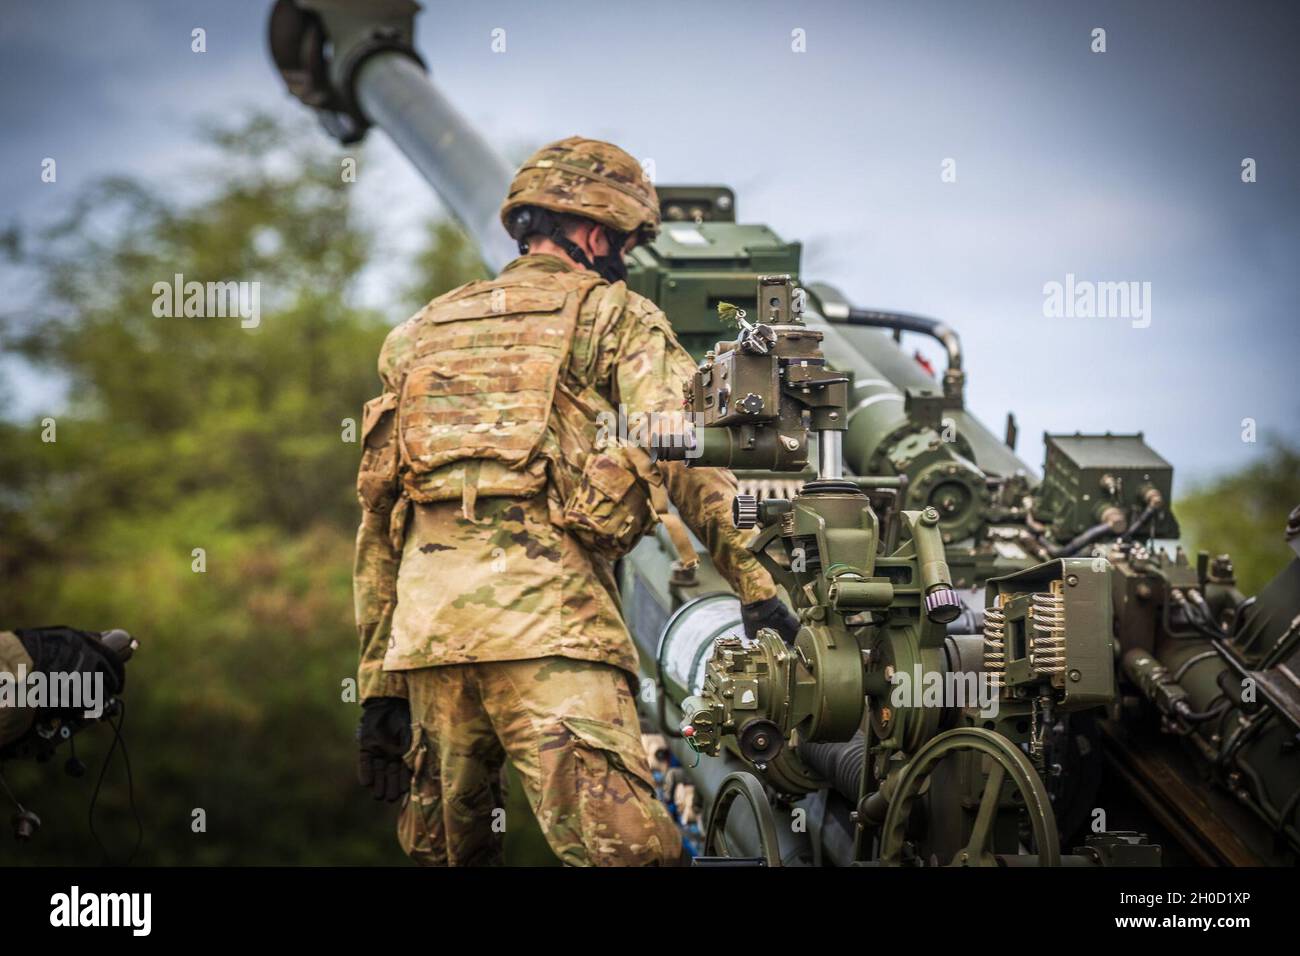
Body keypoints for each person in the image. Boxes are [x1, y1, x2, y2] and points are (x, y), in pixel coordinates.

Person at [352, 136, 798, 866]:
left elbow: (379, 522)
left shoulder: (415, 337)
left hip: (429, 648)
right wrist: (757, 583)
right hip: (554, 636)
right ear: (595, 234)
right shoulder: (614, 315)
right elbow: (684, 448)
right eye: (624, 244)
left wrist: (377, 687)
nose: (622, 260)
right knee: (629, 857)